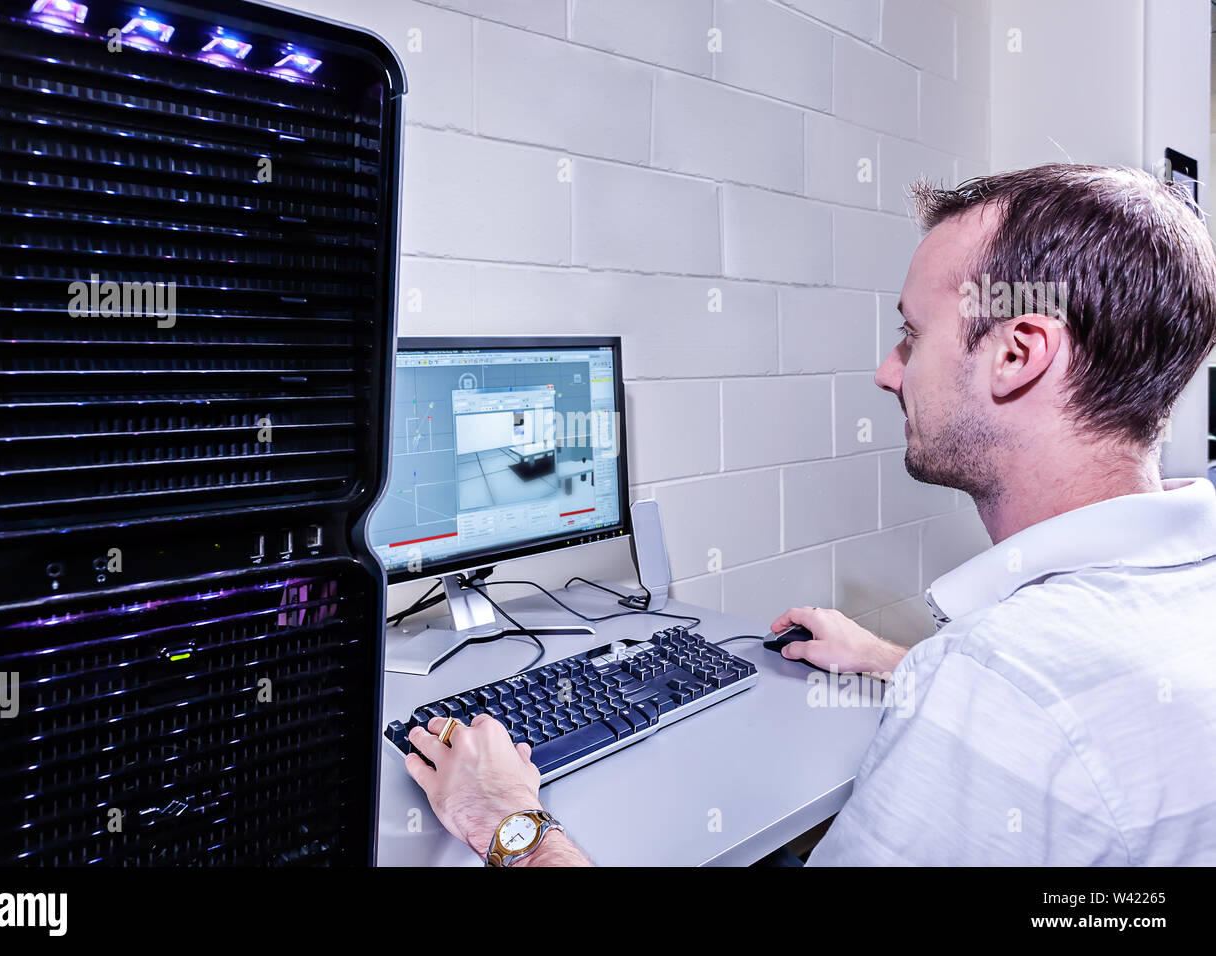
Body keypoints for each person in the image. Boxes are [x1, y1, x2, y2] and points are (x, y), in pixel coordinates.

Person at [403, 164, 1216, 866]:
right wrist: (900, 664)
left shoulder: (1011, 690)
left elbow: (1034, 716)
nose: (886, 372)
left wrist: (511, 825)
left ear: (1016, 353)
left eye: (911, 334)